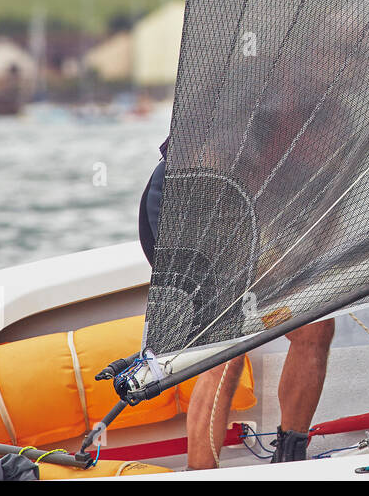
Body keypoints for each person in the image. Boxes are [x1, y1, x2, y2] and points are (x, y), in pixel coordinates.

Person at [138, 139, 335, 466]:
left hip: (252, 208)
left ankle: (289, 458)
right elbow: (210, 161)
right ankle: (201, 470)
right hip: (190, 204)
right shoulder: (246, 112)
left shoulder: (324, 121)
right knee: (227, 348)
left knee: (315, 328)